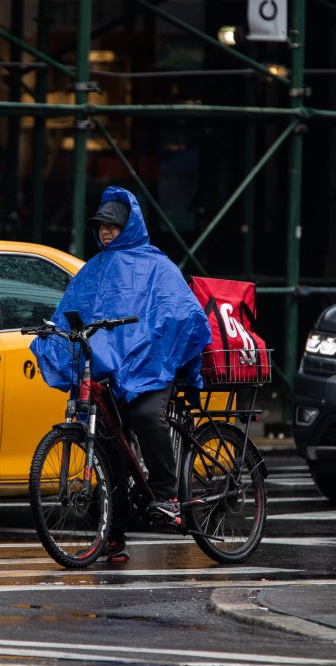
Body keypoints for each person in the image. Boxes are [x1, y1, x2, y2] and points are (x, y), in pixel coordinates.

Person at [31, 186, 211, 563]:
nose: (106, 232)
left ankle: (167, 496)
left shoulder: (158, 266)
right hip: (112, 374)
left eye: (113, 225)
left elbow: (183, 314)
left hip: (150, 370)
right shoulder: (92, 270)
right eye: (101, 226)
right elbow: (71, 311)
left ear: (129, 224)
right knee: (109, 448)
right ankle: (113, 538)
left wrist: (149, 346)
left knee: (146, 416)